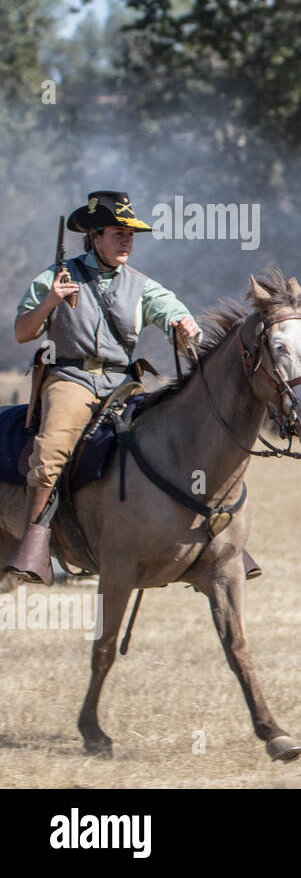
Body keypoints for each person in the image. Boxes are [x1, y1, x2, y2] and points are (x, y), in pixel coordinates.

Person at [5, 190, 201, 586]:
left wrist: (184, 327)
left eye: (130, 235)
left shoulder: (143, 286)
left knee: (179, 437)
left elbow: (172, 313)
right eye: (117, 233)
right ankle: (34, 547)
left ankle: (205, 538)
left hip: (123, 384)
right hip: (71, 380)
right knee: (50, 452)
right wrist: (50, 301)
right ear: (94, 236)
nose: (127, 241)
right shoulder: (56, 276)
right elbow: (22, 332)